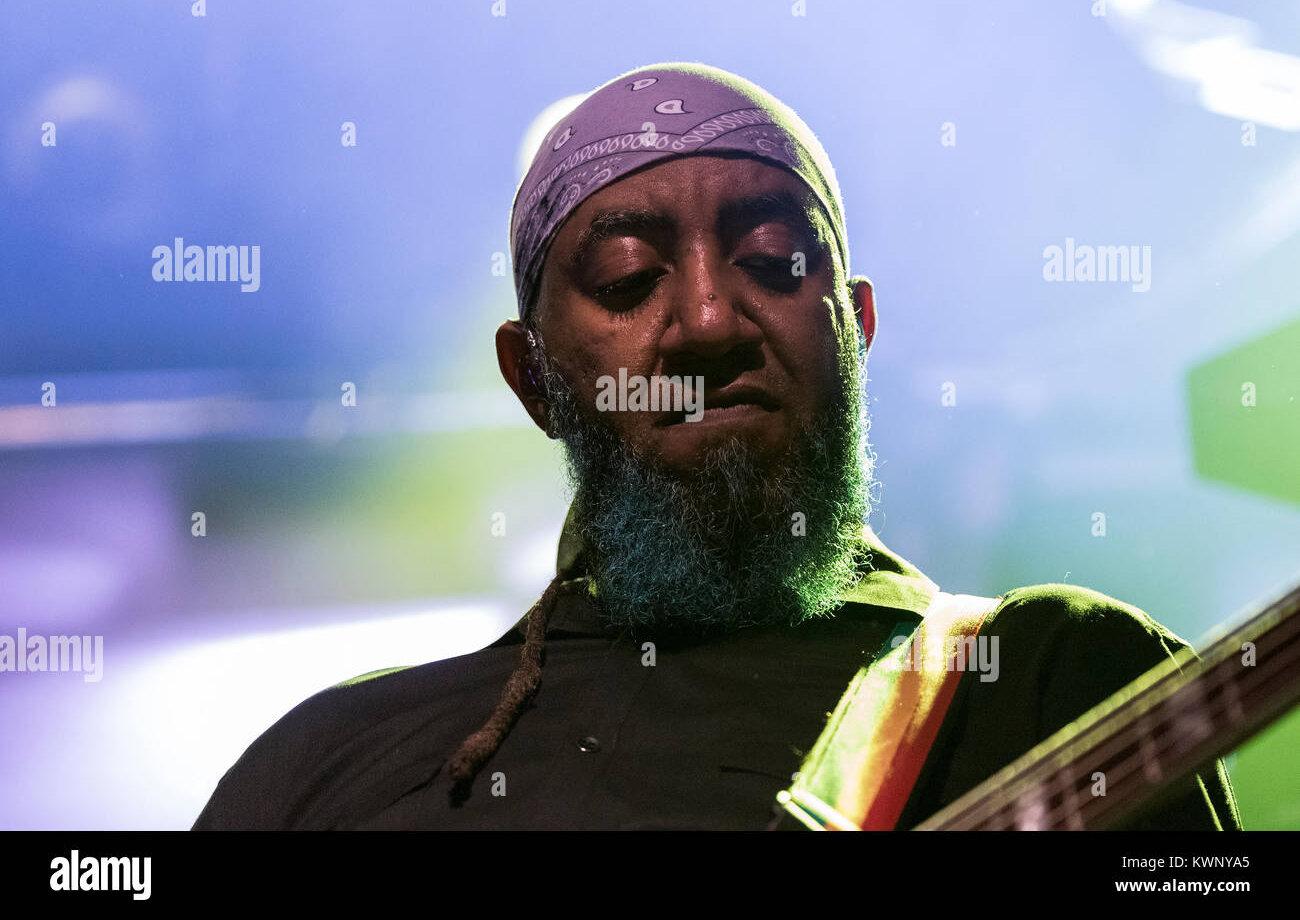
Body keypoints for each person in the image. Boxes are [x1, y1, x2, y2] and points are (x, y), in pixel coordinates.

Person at [193, 62, 1240, 830]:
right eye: (626, 278)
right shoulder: (323, 762)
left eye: (775, 261)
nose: (705, 318)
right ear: (532, 379)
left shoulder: (1048, 684)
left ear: (855, 330)